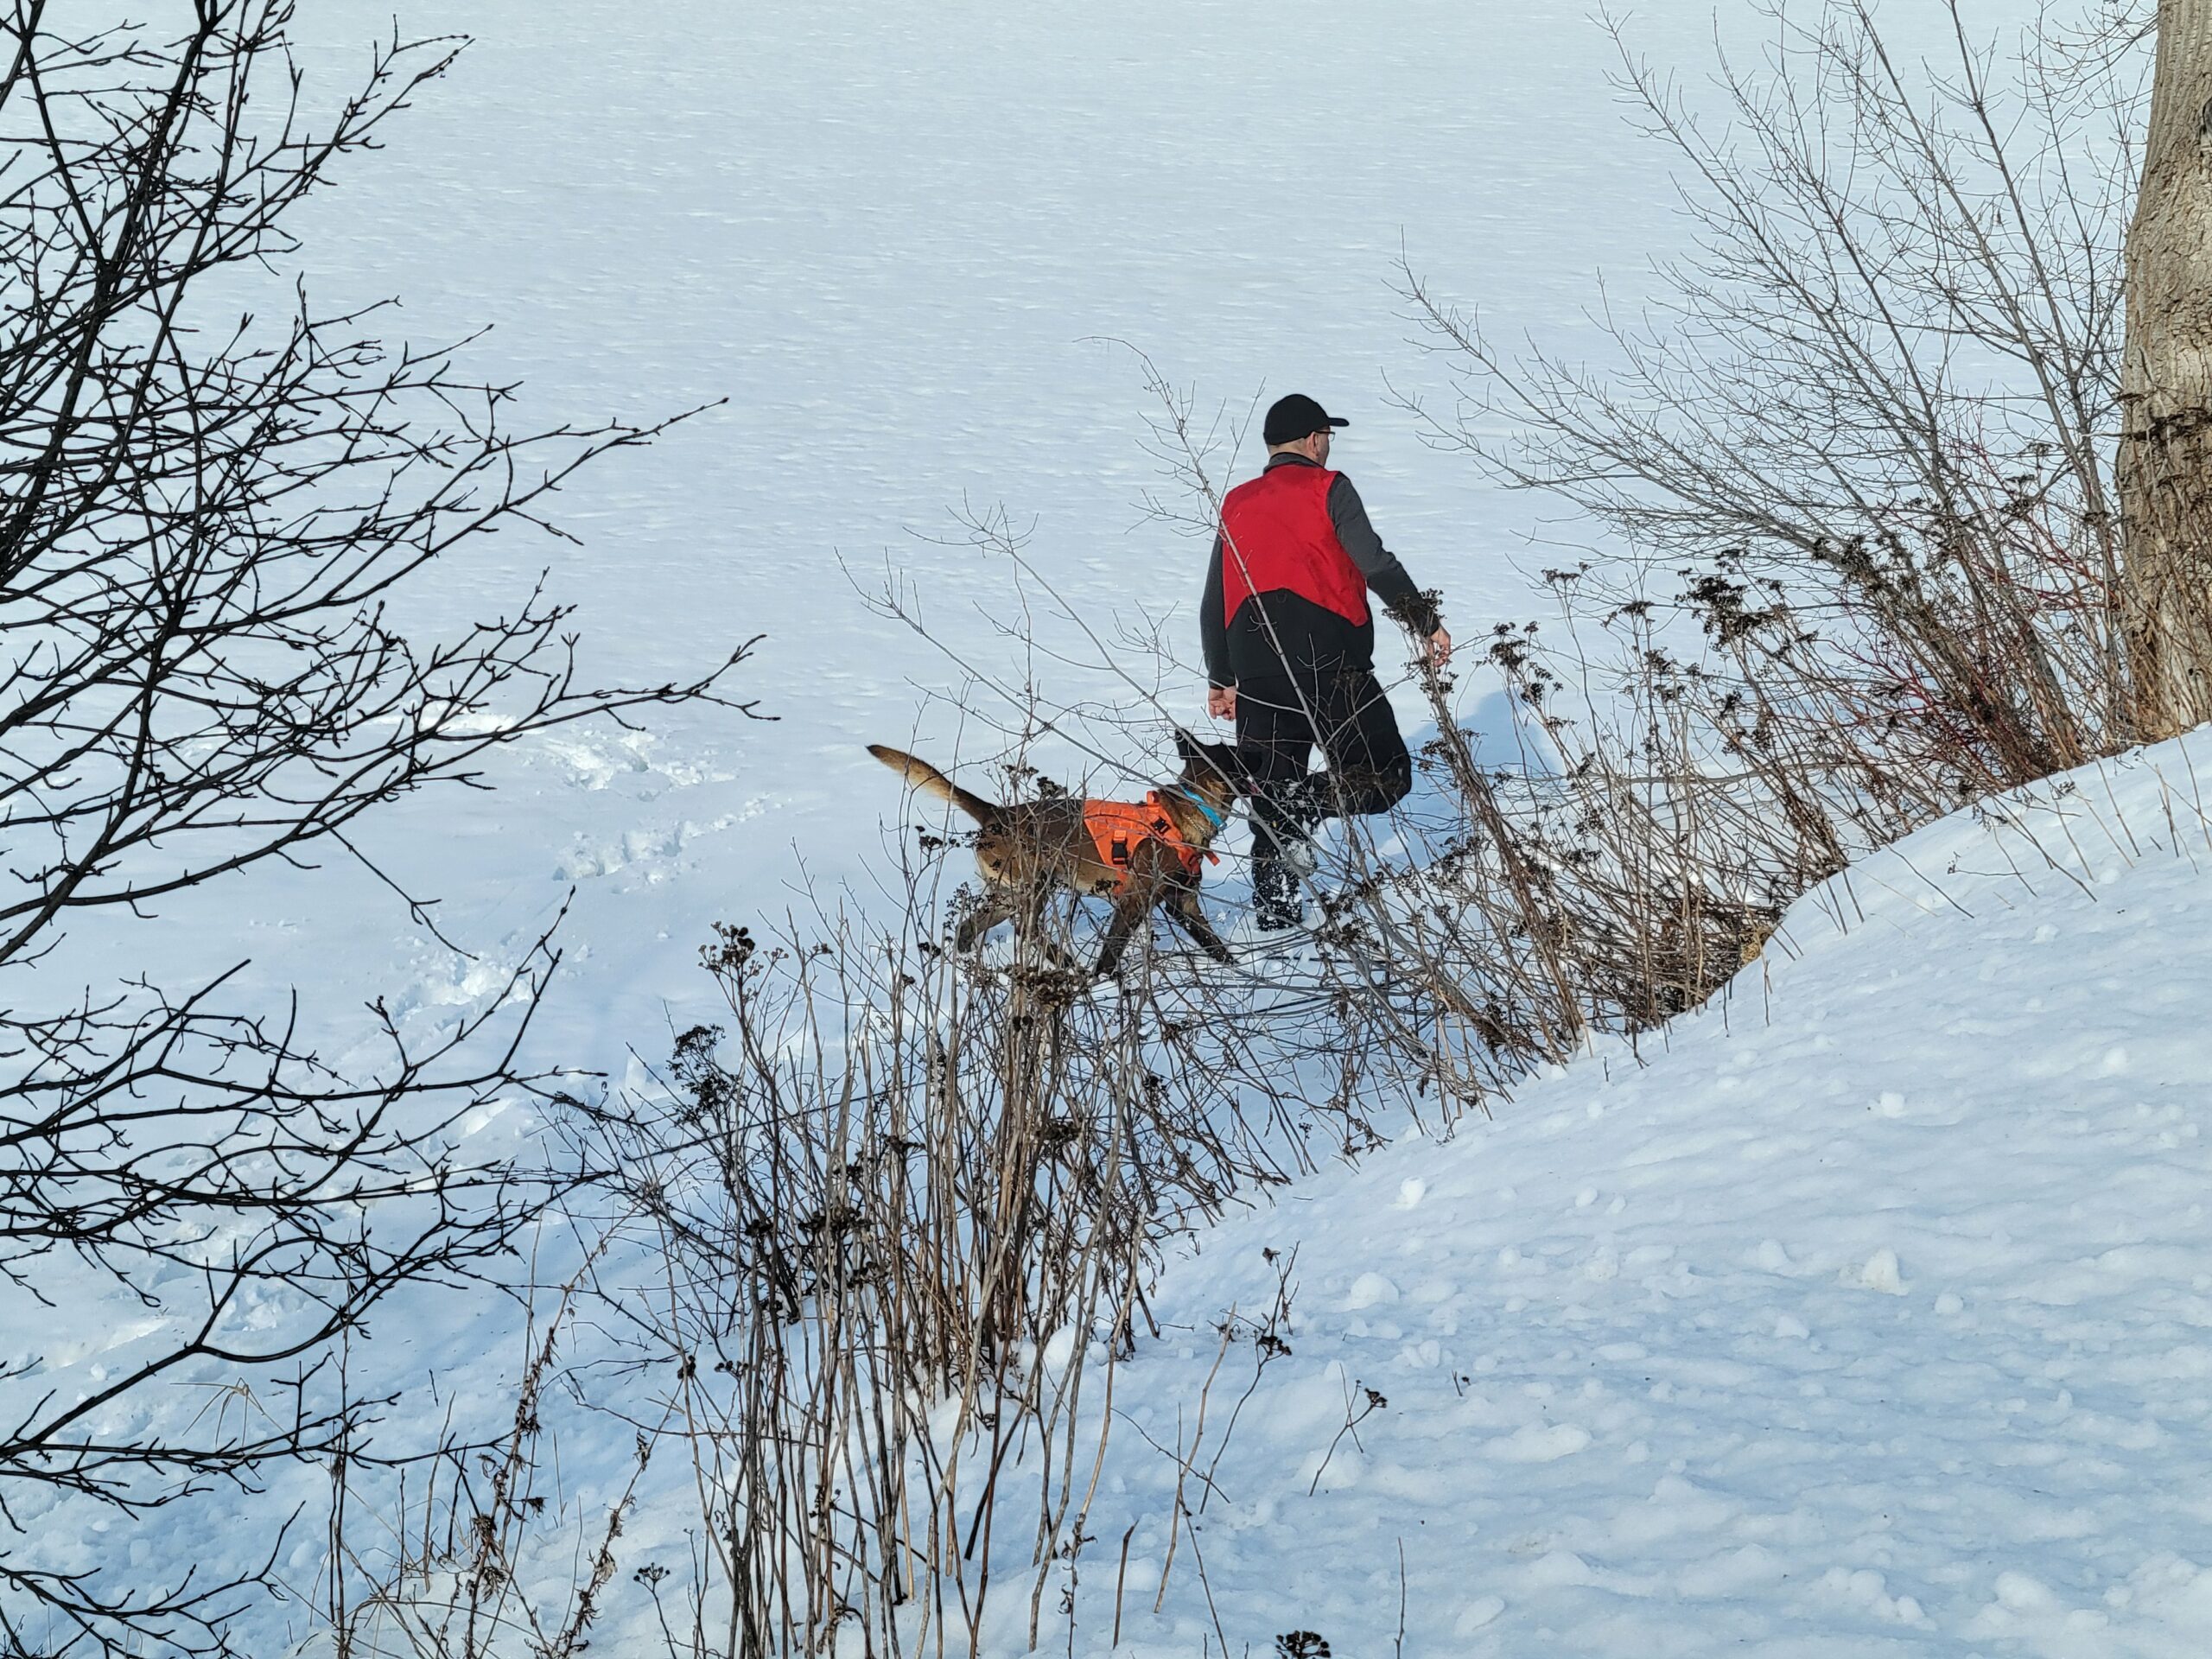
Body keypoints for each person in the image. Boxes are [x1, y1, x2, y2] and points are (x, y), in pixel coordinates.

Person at [1200, 393, 1451, 929]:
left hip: (1258, 673)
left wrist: (1222, 678)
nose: (1329, 447)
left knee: (1269, 795)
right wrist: (1424, 621)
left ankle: (1275, 919)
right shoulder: (1329, 487)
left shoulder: (1236, 503)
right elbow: (1374, 562)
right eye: (1327, 437)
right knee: (1385, 775)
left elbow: (1214, 599)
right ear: (1314, 440)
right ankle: (1305, 803)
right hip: (1332, 663)